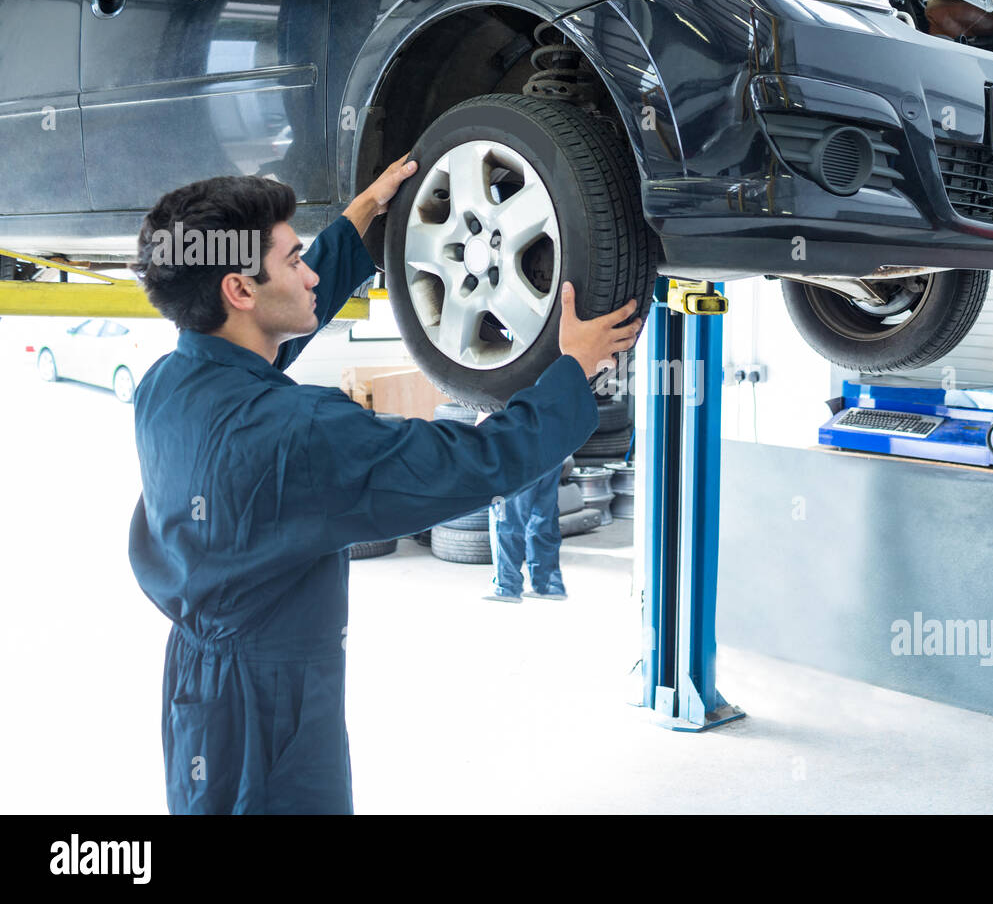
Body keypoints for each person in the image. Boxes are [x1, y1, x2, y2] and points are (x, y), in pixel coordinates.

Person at [127, 159, 640, 813]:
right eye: (294, 262)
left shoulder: (168, 383)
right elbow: (473, 464)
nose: (311, 273)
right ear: (239, 290)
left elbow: (260, 351)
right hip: (269, 712)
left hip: (199, 687)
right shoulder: (300, 432)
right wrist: (573, 370)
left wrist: (360, 217)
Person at [485, 458, 568, 603]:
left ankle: (507, 588)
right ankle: (548, 585)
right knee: (543, 520)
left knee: (505, 521)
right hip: (552, 455)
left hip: (517, 456)